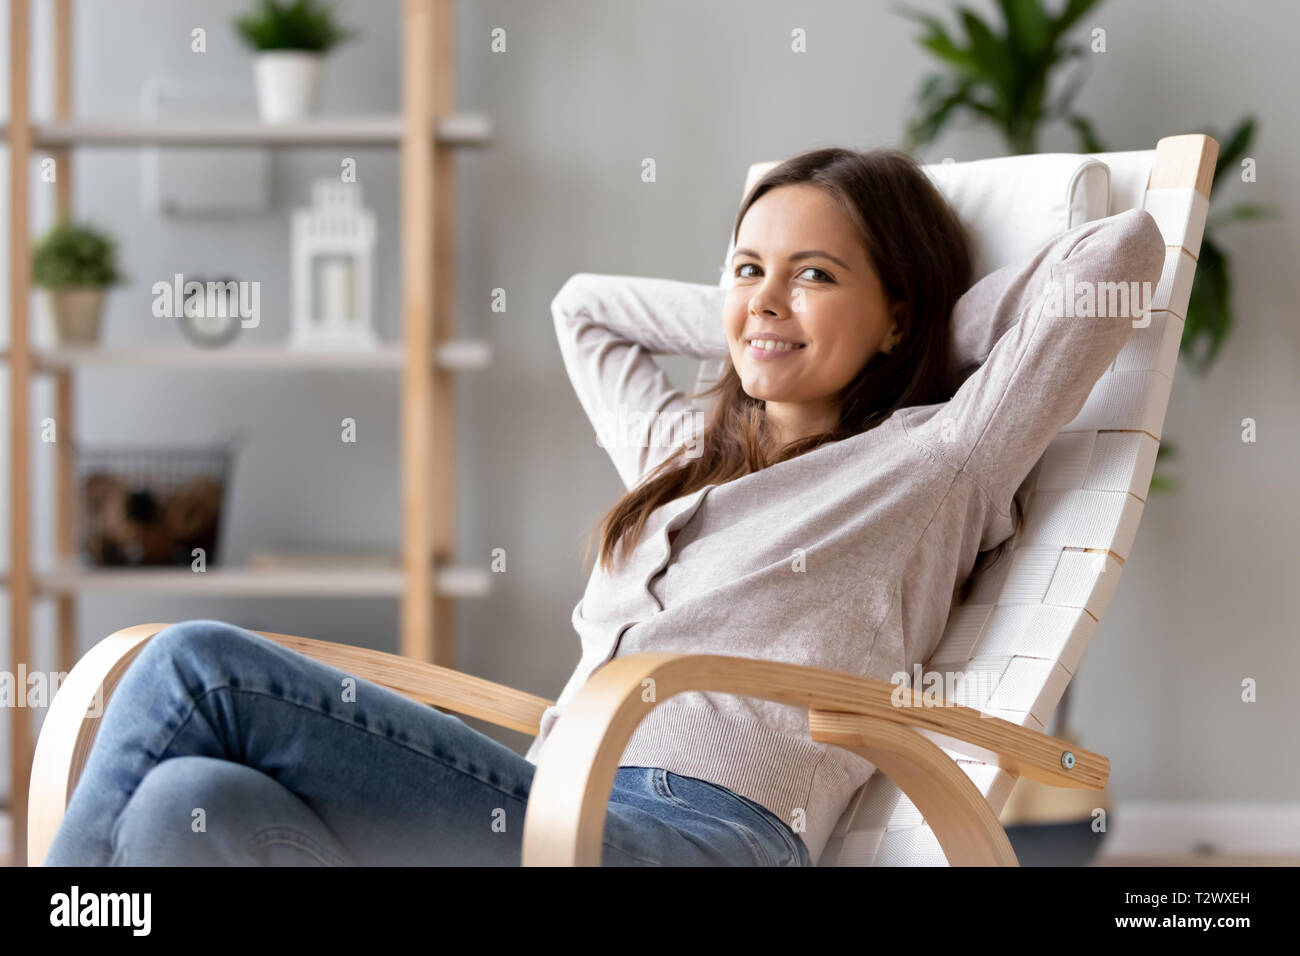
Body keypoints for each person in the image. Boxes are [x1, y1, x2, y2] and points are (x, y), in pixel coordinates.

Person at [44, 146, 1163, 866]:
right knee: (185, 801)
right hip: (550, 796)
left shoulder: (937, 459)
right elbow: (584, 310)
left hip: (696, 832)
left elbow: (1121, 250)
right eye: (745, 267)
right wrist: (763, 318)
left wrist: (916, 340)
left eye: (816, 273)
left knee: (199, 667)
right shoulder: (681, 444)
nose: (766, 294)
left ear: (902, 311)